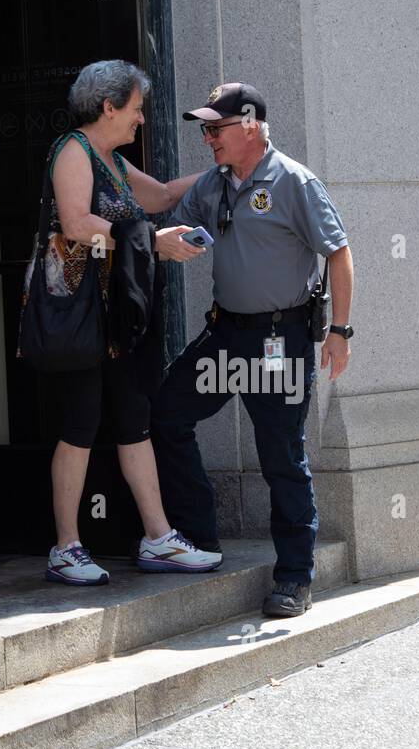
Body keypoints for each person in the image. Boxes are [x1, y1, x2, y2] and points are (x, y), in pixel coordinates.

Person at [151, 82, 354, 617]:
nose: (207, 138)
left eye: (215, 128)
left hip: (277, 342)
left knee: (280, 455)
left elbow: (338, 253)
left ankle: (293, 579)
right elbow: (175, 215)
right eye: (204, 129)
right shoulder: (215, 184)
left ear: (250, 125)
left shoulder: (294, 181)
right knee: (167, 413)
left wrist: (341, 330)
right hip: (226, 335)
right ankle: (199, 540)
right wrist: (169, 239)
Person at [31, 60, 221, 585]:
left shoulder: (110, 159)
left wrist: (226, 168)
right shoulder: (73, 150)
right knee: (81, 423)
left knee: (134, 417)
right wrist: (150, 242)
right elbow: (75, 224)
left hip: (116, 314)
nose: (141, 120)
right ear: (109, 106)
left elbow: (158, 196)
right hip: (81, 313)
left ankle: (158, 538)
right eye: (136, 109)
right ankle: (66, 547)